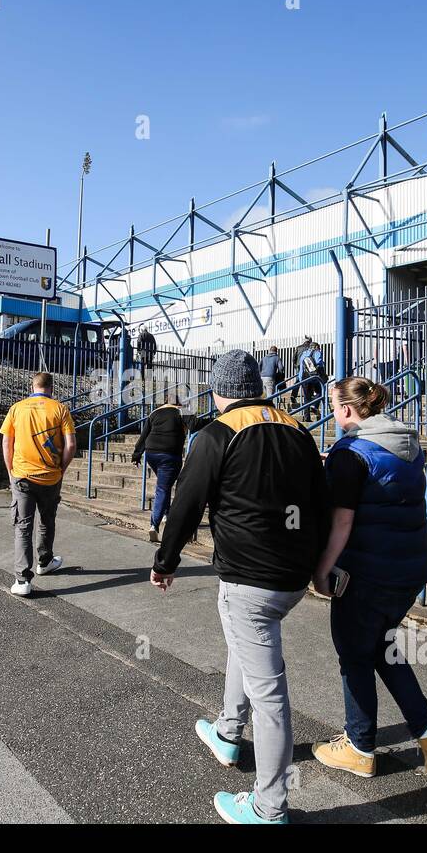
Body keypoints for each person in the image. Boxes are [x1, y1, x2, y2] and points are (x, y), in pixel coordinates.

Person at [151, 349, 328, 824]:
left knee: (270, 695)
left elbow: (186, 503)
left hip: (248, 578)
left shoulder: (216, 434)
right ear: (260, 386)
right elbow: (320, 502)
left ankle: (270, 807)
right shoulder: (298, 430)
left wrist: (165, 562)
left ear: (218, 390)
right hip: (292, 577)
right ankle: (228, 732)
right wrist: (319, 564)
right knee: (244, 647)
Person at [310, 376, 427, 781]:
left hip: (366, 573)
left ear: (346, 411)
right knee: (382, 649)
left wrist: (321, 570)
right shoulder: (408, 446)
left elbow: (342, 522)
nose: (333, 414)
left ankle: (359, 747)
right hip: (410, 570)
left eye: (335, 407)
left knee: (354, 656)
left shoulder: (351, 452)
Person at [0, 372, 77, 597]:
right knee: (47, 520)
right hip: (50, 477)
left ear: (32, 386)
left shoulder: (17, 408)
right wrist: (61, 470)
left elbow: (7, 442)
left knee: (23, 526)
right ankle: (45, 562)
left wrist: (10, 471)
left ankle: (22, 580)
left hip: (22, 475)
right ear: (51, 388)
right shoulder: (60, 409)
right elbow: (71, 445)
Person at [130, 396, 187, 543]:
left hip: (152, 454)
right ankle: (154, 525)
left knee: (165, 486)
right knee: (163, 488)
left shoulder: (154, 413)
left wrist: (137, 454)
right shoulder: (181, 411)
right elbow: (195, 424)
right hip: (170, 455)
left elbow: (144, 436)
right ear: (179, 403)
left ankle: (167, 513)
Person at [298, 337, 326, 420]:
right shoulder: (317, 352)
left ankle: (307, 417)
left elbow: (301, 368)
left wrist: (300, 379)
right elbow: (318, 362)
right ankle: (314, 406)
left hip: (305, 377)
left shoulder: (304, 354)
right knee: (320, 392)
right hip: (315, 377)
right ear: (317, 347)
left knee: (307, 397)